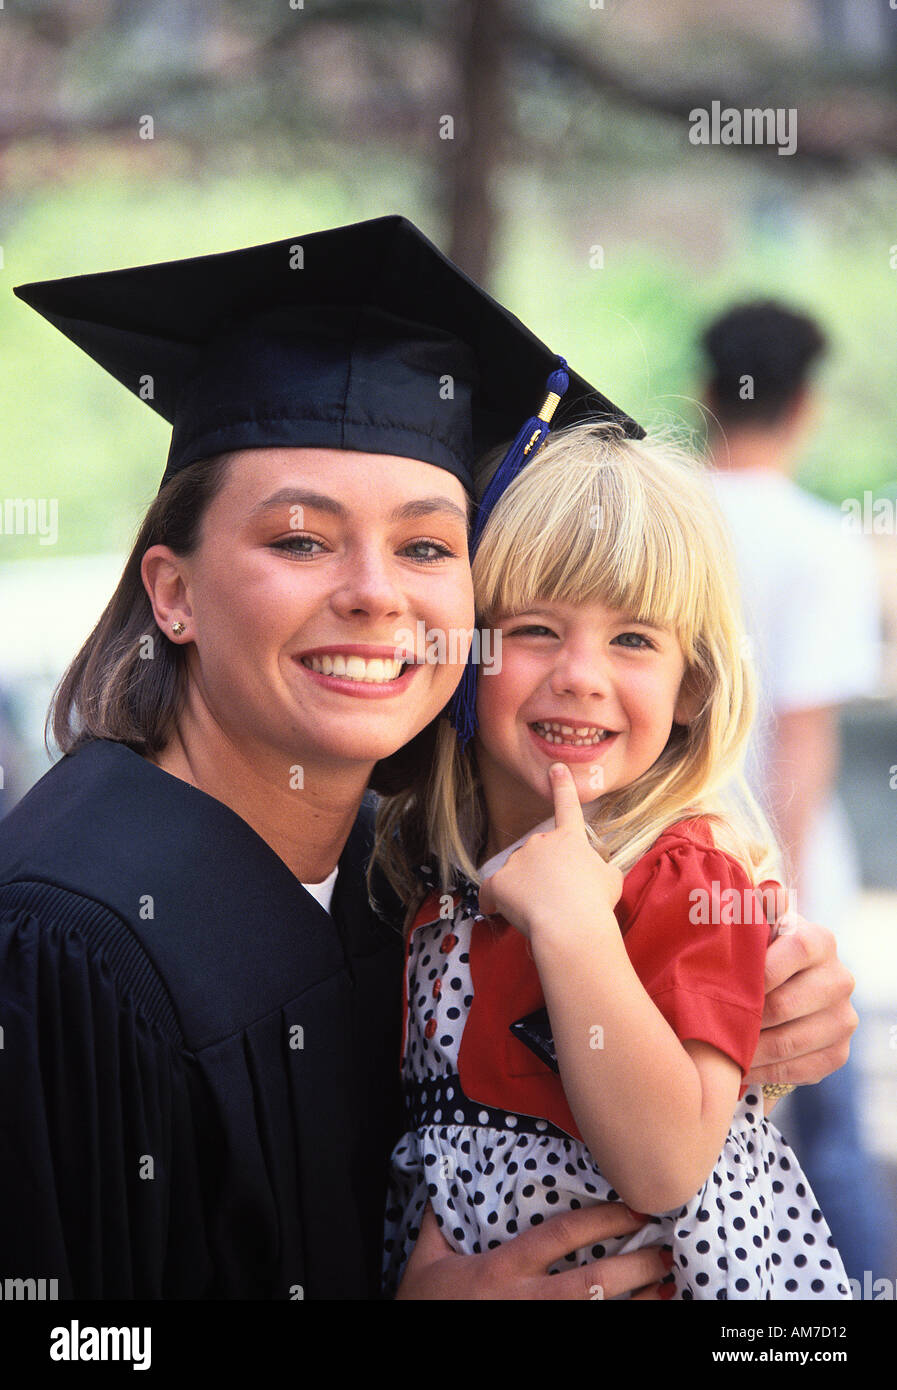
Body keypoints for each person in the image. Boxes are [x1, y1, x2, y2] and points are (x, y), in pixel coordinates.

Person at [0, 218, 856, 1302]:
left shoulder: (400, 877)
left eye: (425, 546)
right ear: (173, 593)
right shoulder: (69, 940)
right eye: (301, 539)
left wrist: (768, 1004)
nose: (375, 593)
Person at [377, 422, 851, 1299]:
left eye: (634, 640)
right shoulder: (431, 870)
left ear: (692, 688)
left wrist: (573, 924)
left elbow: (665, 1164)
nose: (581, 674)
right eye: (533, 630)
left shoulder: (686, 878)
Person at [701, 300, 888, 1286]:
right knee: (828, 1145)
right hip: (783, 882)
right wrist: (783, 904)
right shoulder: (824, 542)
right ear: (807, 405)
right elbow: (803, 743)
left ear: (701, 393)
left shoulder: (664, 517)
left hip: (665, 872)